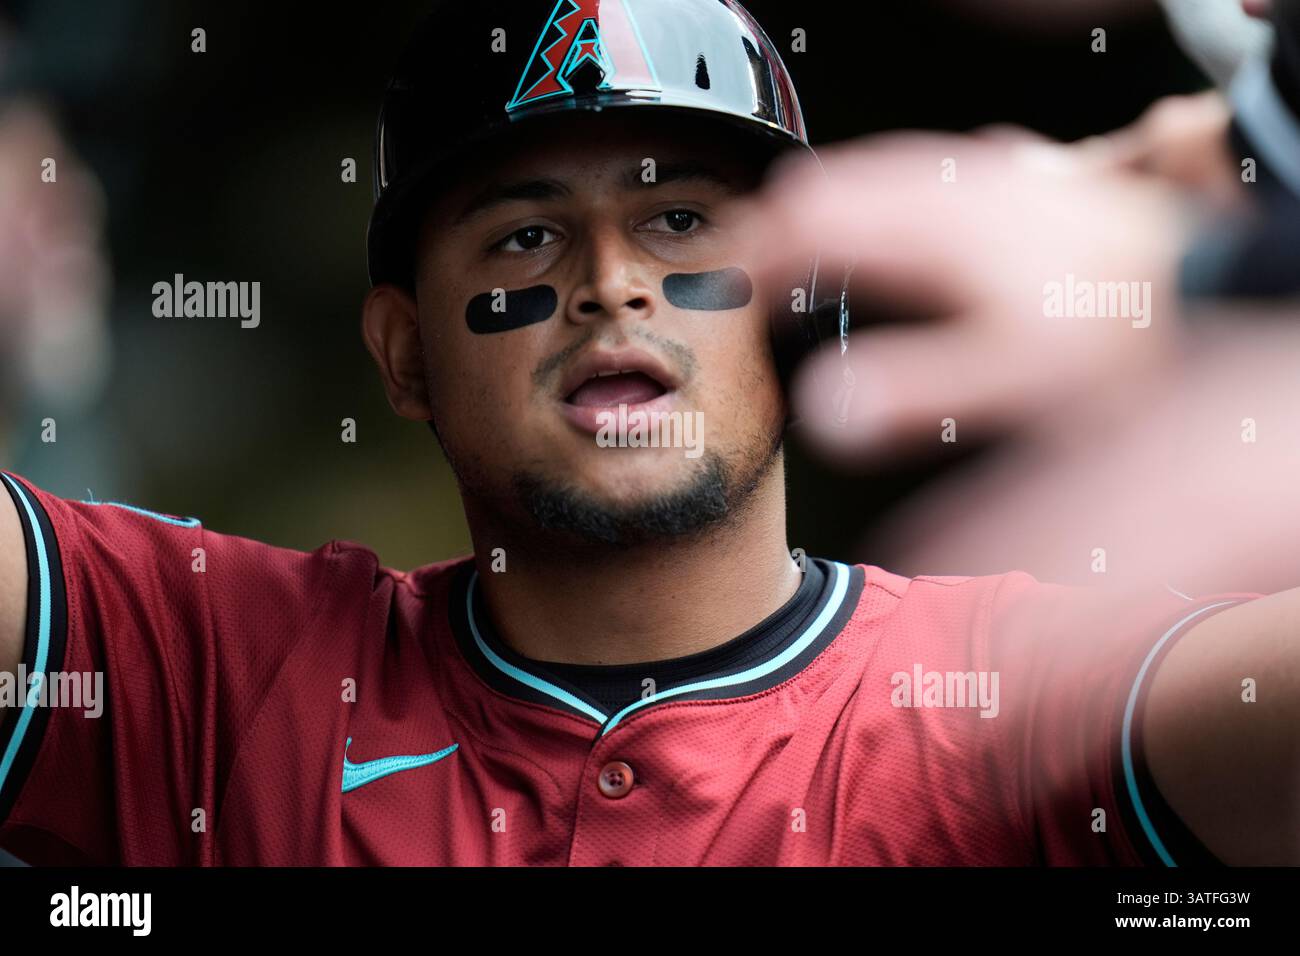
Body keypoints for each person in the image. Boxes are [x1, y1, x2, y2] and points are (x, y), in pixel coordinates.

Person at [0, 0, 1294, 866]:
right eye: (525, 235)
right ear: (404, 354)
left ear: (806, 298)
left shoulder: (1009, 699)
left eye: (681, 221)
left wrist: (1258, 266)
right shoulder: (212, 677)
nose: (609, 282)